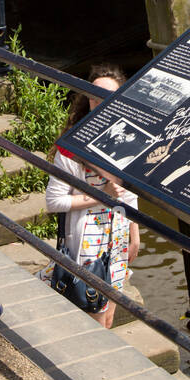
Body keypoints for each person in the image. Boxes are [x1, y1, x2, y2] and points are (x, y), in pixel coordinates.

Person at [46, 64, 140, 329]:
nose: (100, 103)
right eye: (94, 96)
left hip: (117, 234)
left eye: (108, 97)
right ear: (87, 99)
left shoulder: (129, 140)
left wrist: (135, 233)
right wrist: (102, 196)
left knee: (109, 308)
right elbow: (54, 201)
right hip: (89, 242)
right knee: (94, 313)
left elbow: (128, 194)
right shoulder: (72, 146)